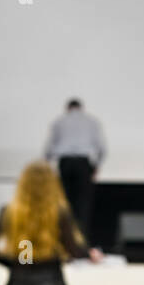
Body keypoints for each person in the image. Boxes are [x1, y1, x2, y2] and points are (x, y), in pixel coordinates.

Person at [44, 98, 106, 242]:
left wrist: (47, 167)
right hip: (84, 164)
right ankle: (81, 242)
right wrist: (96, 166)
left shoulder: (59, 122)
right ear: (81, 108)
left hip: (65, 163)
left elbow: (48, 149)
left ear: (68, 108)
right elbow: (102, 149)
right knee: (83, 205)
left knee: (64, 204)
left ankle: (65, 241)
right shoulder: (92, 122)